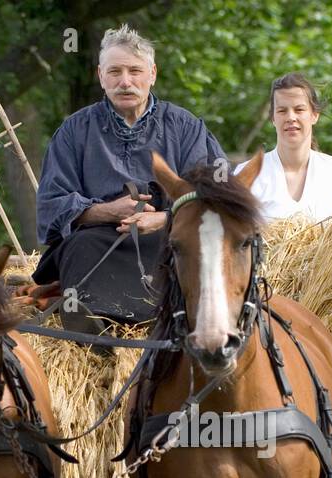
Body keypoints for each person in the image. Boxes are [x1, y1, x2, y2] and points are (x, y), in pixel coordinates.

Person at [32, 24, 226, 326]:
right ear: (100, 76)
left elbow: (215, 195)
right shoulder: (74, 131)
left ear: (152, 74)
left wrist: (164, 219)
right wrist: (107, 212)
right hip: (99, 241)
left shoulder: (186, 127)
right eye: (114, 72)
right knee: (79, 248)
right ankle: (93, 323)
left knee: (185, 246)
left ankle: (168, 320)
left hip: (165, 237)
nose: (125, 82)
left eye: (135, 71)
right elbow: (50, 205)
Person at [236, 73, 332, 224]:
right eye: (282, 111)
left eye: (299, 110)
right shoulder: (247, 174)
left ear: (314, 115)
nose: (291, 117)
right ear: (273, 118)